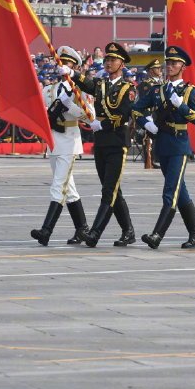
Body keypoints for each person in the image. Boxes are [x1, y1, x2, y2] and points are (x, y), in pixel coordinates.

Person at [135, 46, 195, 249]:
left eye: (174, 63)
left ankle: (157, 235)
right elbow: (136, 109)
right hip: (163, 143)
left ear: (183, 66)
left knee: (170, 191)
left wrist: (180, 105)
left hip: (179, 144)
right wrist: (146, 123)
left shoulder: (189, 91)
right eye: (168, 62)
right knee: (179, 190)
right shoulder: (158, 90)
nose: (170, 66)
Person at [69, 42, 137, 247]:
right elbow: (86, 83)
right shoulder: (100, 84)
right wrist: (71, 73)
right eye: (107, 59)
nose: (108, 62)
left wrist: (103, 124)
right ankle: (128, 231)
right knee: (112, 189)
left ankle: (95, 233)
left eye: (113, 60)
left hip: (117, 142)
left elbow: (124, 113)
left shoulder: (128, 88)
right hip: (101, 143)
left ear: (122, 64)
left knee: (109, 191)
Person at [30, 47, 90, 245]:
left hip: (70, 140)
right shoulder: (50, 89)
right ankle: (82, 229)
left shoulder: (79, 90)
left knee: (58, 185)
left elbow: (90, 117)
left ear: (74, 67)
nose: (62, 66)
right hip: (54, 140)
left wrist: (69, 105)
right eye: (60, 62)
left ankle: (46, 230)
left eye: (67, 63)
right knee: (68, 187)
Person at [139, 58, 164, 169]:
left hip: (161, 114)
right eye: (156, 68)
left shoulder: (162, 82)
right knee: (148, 138)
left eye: (159, 68)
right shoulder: (146, 84)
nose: (159, 70)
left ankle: (160, 159)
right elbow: (144, 101)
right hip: (150, 114)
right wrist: (147, 115)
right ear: (150, 70)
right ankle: (149, 161)